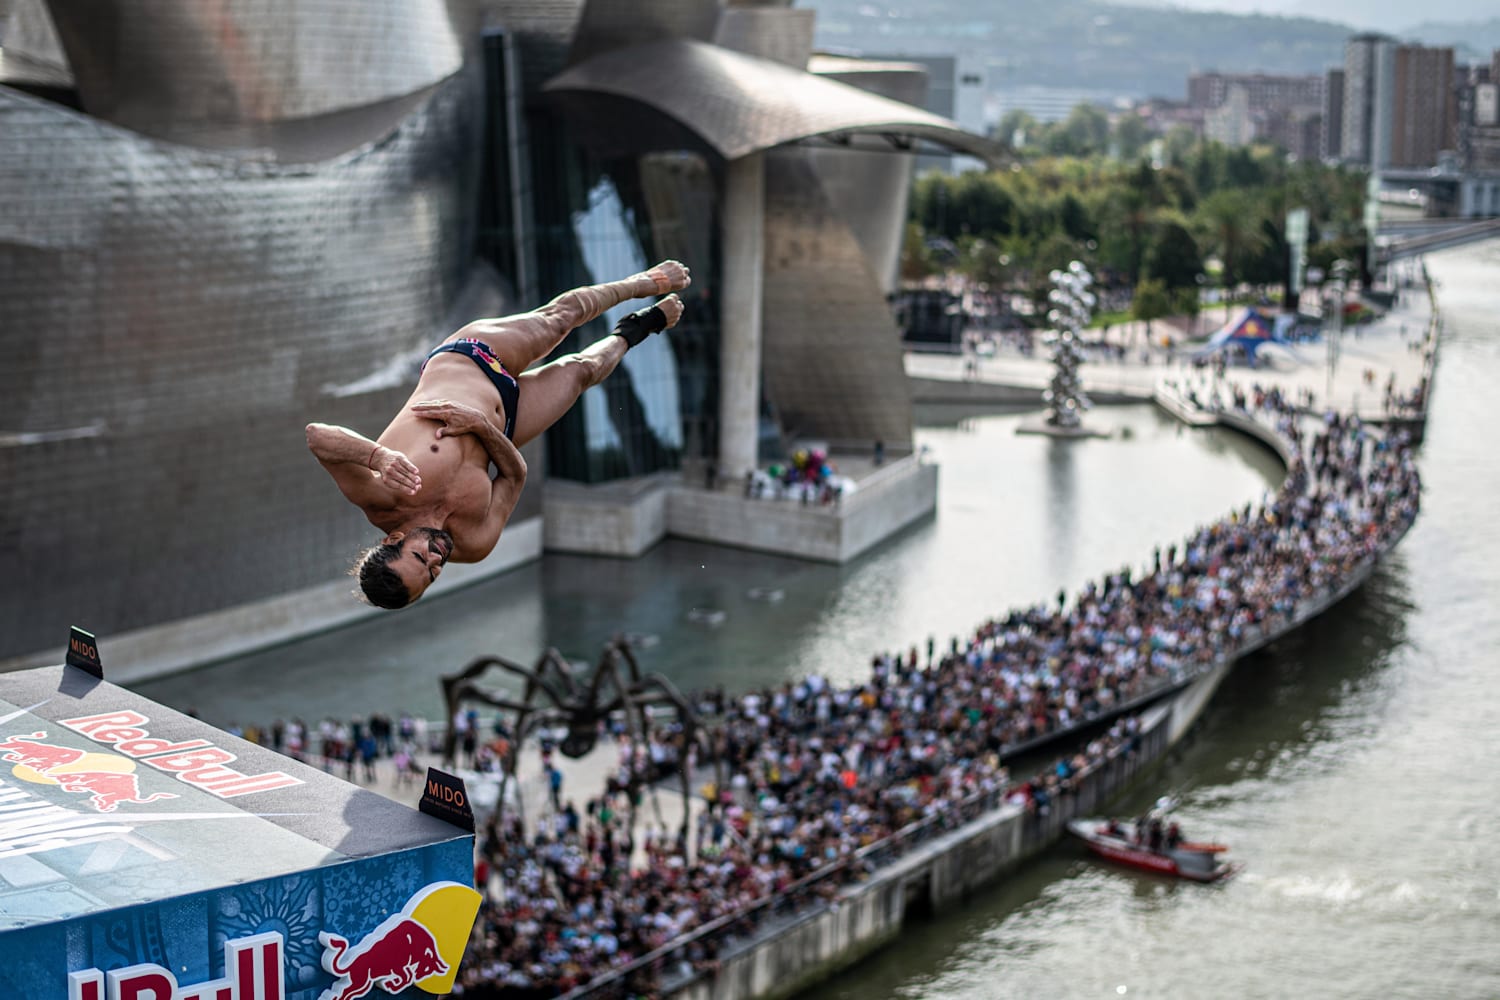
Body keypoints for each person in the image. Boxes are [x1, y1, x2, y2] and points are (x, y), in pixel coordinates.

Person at [307, 260, 692, 608]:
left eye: (421, 558)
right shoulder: (474, 543)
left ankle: (643, 281)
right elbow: (515, 475)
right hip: (504, 424)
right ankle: (639, 327)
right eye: (433, 574)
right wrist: (480, 426)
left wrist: (379, 456)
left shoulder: (380, 495)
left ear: (393, 540)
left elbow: (318, 437)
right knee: (580, 371)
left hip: (472, 360)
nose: (437, 560)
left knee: (559, 320)